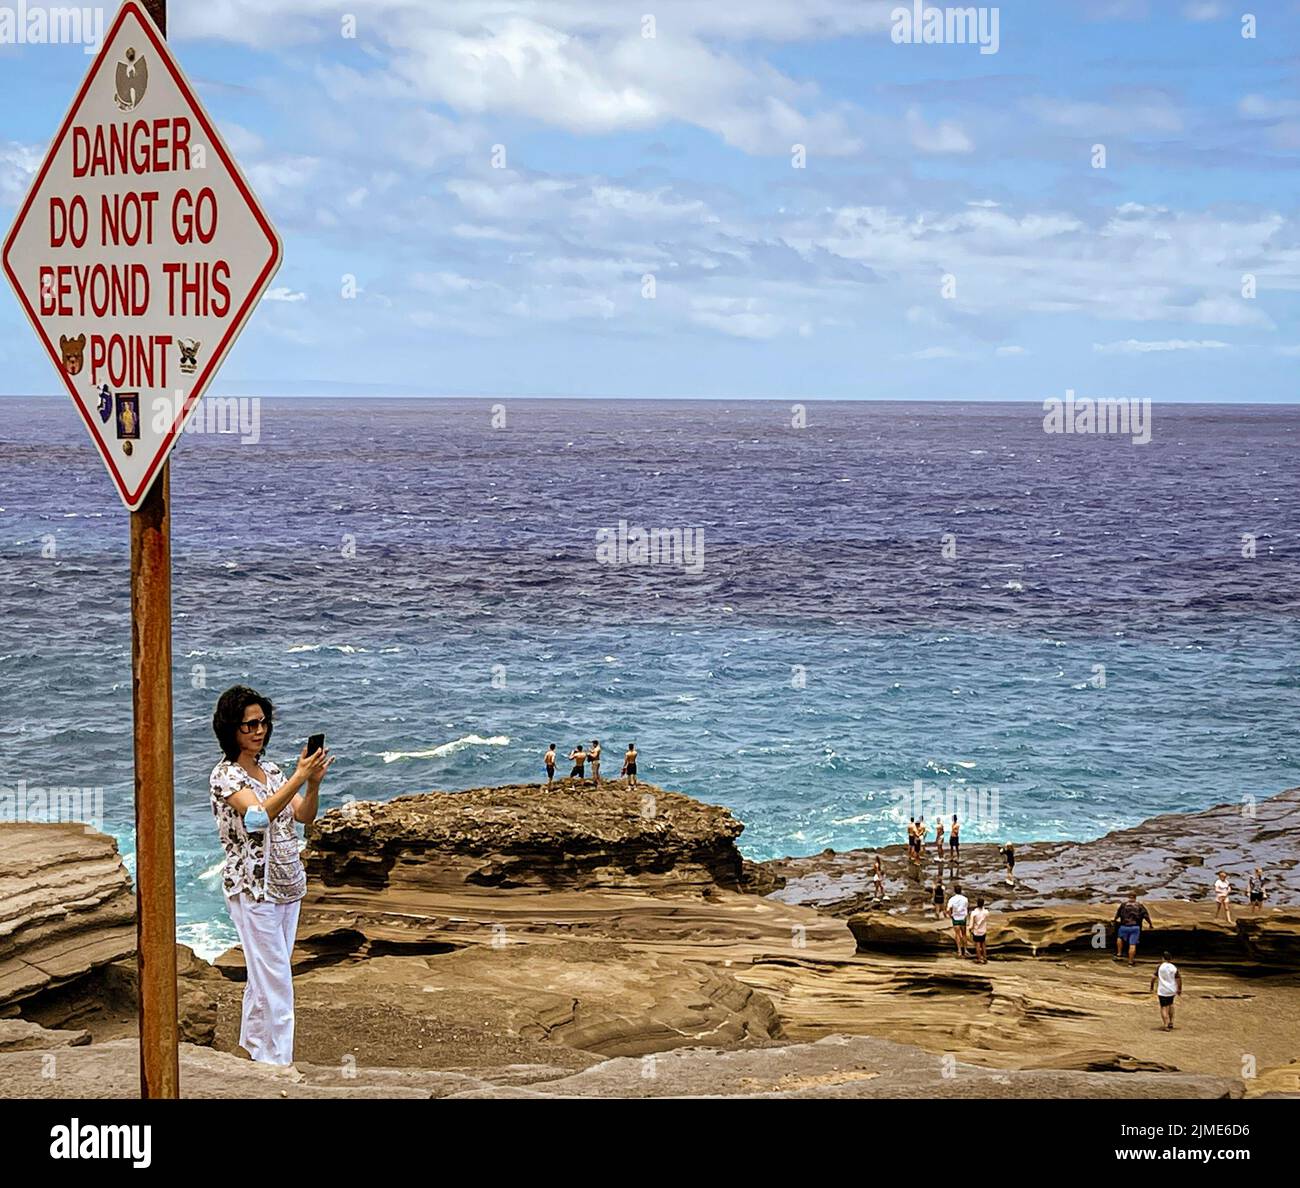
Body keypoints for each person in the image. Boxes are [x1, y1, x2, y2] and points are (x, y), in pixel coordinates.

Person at [210, 685, 333, 1071]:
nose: (258, 731)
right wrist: (298, 777)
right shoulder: (225, 776)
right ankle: (280, 1064)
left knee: (264, 976)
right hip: (254, 889)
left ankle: (254, 1048)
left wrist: (312, 783)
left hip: (288, 886)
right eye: (249, 725)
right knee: (277, 979)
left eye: (262, 722)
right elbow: (257, 818)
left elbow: (304, 816)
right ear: (231, 729)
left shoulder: (273, 770)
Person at [1113, 891, 1153, 965]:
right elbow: (1146, 916)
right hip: (1135, 927)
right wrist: (1150, 924)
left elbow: (1118, 914)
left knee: (1119, 938)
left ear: (1128, 897)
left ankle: (1119, 954)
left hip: (1124, 926)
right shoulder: (1139, 906)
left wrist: (1114, 920)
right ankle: (1130, 962)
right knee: (1132, 944)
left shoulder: (1123, 905)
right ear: (1135, 897)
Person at [1150, 952, 1182, 1031]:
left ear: (1163, 958)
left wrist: (1151, 987)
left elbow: (1153, 978)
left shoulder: (1160, 967)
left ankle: (1165, 1024)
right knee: (1171, 1004)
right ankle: (1171, 1022)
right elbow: (1178, 979)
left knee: (1163, 1007)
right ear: (1170, 959)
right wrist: (1179, 989)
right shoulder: (1174, 967)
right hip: (1171, 990)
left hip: (1162, 990)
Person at [946, 882, 970, 958]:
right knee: (964, 934)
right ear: (961, 890)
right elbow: (966, 908)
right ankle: (965, 950)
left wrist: (950, 915)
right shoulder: (965, 899)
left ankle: (959, 951)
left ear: (954, 891)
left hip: (955, 917)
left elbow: (948, 909)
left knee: (957, 934)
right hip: (963, 917)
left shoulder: (952, 899)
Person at [969, 896, 989, 963]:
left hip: (976, 931)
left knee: (977, 945)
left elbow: (971, 924)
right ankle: (985, 957)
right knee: (983, 944)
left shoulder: (974, 913)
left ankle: (979, 958)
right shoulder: (986, 912)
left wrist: (970, 929)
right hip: (983, 930)